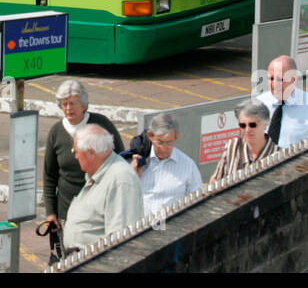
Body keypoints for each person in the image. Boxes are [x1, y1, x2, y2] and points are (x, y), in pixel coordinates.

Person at [42, 80, 124, 230]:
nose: (68, 108)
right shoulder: (56, 132)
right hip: (67, 213)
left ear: (85, 105)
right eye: (64, 104)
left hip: (100, 212)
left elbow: (121, 159)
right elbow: (49, 175)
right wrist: (51, 213)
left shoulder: (101, 125)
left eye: (73, 103)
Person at [61, 124, 144, 251]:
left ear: (91, 153)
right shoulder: (99, 173)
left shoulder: (120, 179)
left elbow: (121, 241)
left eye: (76, 151)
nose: (75, 156)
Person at [133, 113, 202, 217]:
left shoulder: (188, 166)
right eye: (160, 142)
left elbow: (197, 202)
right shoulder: (137, 162)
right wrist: (132, 174)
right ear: (150, 136)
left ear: (177, 137)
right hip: (140, 228)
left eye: (169, 143)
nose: (164, 148)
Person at [260, 54, 308, 146]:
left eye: (280, 79)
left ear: (293, 79)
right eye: (271, 78)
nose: (275, 84)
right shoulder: (259, 104)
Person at [210, 100, 277, 183]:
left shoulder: (278, 155)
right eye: (243, 125)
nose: (247, 130)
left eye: (253, 125)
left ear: (266, 123)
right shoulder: (232, 146)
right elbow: (216, 181)